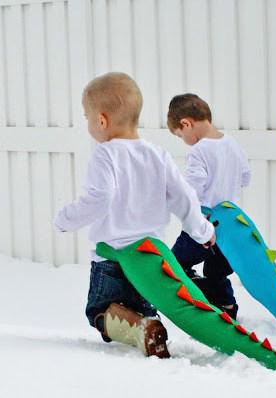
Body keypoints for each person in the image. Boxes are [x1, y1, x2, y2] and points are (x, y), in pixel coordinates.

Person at [54, 74, 215, 358]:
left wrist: (66, 219)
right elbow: (184, 196)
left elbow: (99, 198)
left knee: (100, 312)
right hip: (151, 260)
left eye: (86, 116)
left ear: (101, 120)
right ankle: (146, 322)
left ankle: (139, 328)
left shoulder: (105, 154)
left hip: (112, 259)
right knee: (143, 304)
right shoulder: (158, 154)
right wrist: (202, 231)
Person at [166, 93, 251, 320]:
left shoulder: (198, 151)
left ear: (186, 123)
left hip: (204, 222)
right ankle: (227, 306)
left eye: (180, 134)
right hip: (230, 223)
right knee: (217, 271)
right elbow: (245, 177)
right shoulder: (232, 143)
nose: (183, 139)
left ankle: (196, 294)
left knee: (174, 266)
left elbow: (193, 191)